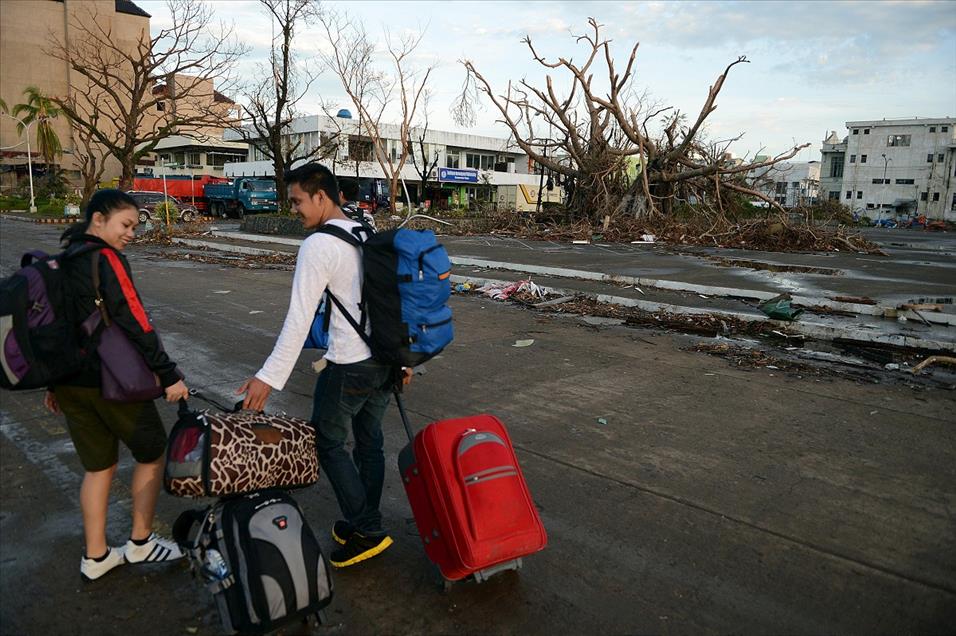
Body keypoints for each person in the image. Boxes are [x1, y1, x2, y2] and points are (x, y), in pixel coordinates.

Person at [237, 163, 396, 568]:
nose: (294, 210)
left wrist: (268, 379)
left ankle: (368, 528)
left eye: (297, 201)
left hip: (349, 364)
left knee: (327, 442)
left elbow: (299, 317)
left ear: (321, 196)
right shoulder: (364, 231)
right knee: (369, 441)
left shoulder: (318, 245)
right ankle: (364, 520)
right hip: (383, 360)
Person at [44, 189, 190, 582]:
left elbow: (53, 329)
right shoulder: (105, 259)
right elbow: (135, 318)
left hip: (69, 384)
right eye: (126, 225)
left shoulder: (61, 261)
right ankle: (141, 543)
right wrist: (169, 374)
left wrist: (53, 385)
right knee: (152, 453)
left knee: (98, 468)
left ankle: (96, 557)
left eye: (135, 227)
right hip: (111, 381)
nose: (131, 234)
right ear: (98, 220)